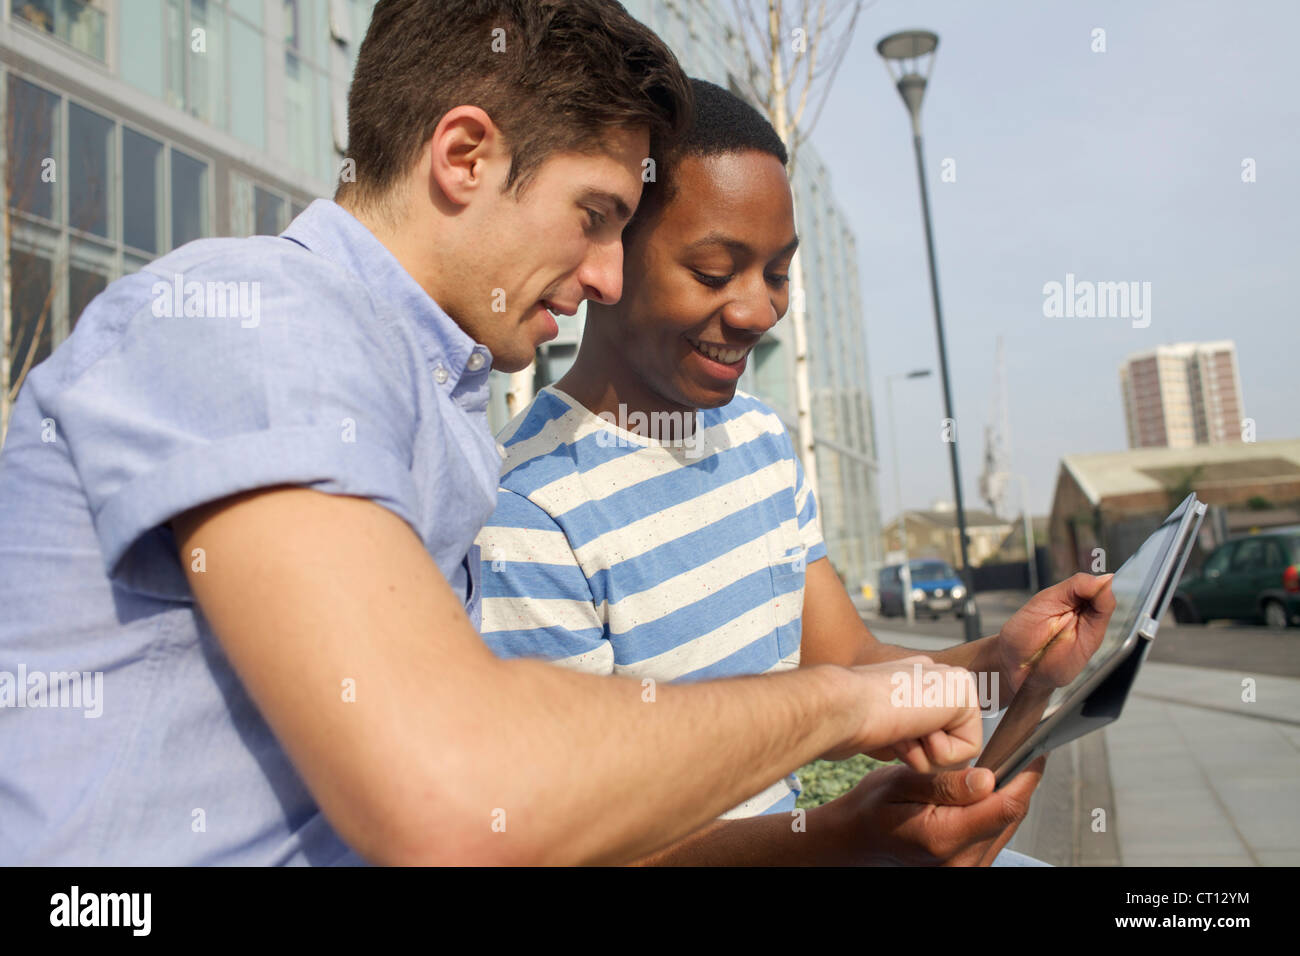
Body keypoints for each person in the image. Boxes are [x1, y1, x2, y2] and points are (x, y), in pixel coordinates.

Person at [0, 0, 983, 866]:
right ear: (463, 156)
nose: (606, 274)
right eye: (594, 214)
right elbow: (449, 794)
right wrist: (847, 704)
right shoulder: (254, 323)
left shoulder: (434, 401)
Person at [477, 79, 1117, 865]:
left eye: (777, 273)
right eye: (714, 273)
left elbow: (846, 665)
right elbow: (573, 846)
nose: (758, 310)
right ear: (608, 254)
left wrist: (1002, 666)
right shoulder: (528, 511)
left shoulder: (757, 436)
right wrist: (846, 842)